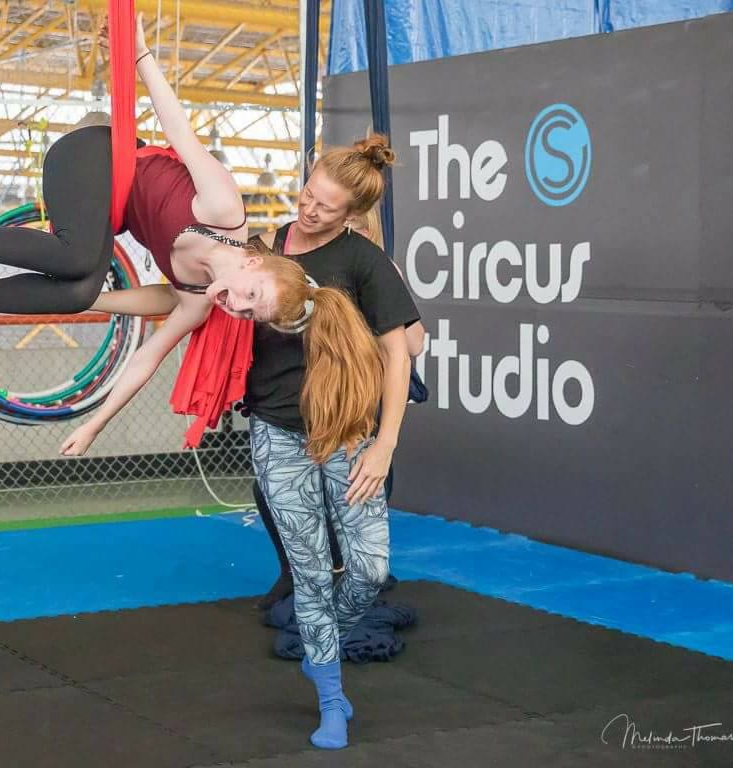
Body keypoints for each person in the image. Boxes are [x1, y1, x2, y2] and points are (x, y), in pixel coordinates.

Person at [0, 15, 386, 463]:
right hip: (94, 154)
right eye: (250, 297)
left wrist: (96, 422)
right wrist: (139, 55)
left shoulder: (200, 303)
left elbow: (146, 359)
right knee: (77, 256)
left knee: (75, 288)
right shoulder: (223, 209)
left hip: (97, 210)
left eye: (247, 315)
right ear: (254, 264)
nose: (236, 307)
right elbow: (178, 129)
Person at [246, 136, 421, 750]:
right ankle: (330, 696)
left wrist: (385, 446)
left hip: (348, 434)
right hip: (275, 430)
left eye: (325, 206)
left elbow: (400, 355)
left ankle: (324, 640)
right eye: (308, 194)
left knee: (369, 569)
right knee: (310, 572)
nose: (309, 209)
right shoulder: (264, 251)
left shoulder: (364, 261)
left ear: (351, 215)